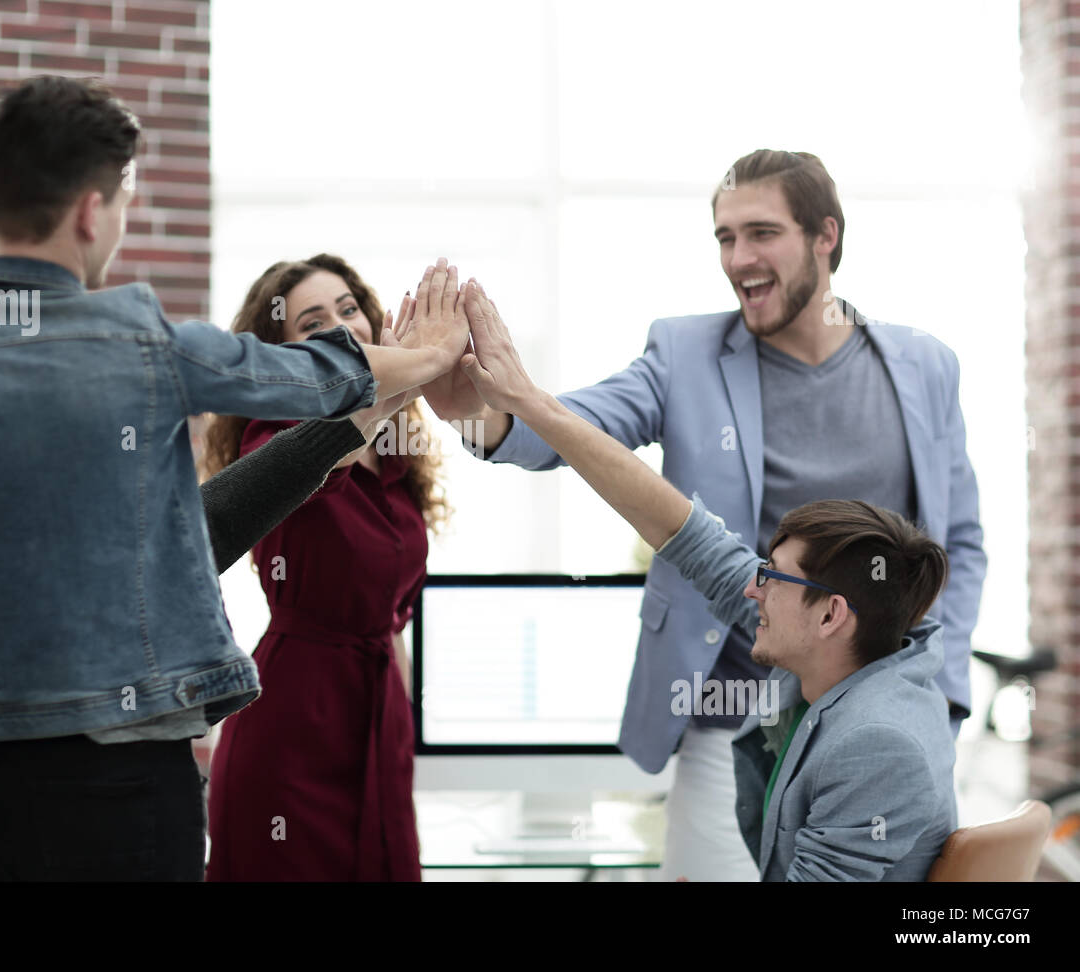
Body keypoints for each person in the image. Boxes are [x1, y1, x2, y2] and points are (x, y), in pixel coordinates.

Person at [0, 76, 465, 881]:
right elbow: (305, 379)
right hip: (128, 787)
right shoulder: (138, 338)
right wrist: (426, 356)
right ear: (88, 210)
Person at [421, 150, 985, 880]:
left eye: (760, 233)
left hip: (874, 727)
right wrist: (483, 417)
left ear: (825, 236)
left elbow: (959, 542)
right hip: (733, 723)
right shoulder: (684, 354)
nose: (738, 257)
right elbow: (575, 429)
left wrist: (937, 691)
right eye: (724, 237)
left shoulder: (923, 365)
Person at [201, 255, 455, 881]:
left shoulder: (398, 464)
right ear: (284, 357)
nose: (346, 329)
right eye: (315, 324)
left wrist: (404, 729)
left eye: (350, 310)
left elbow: (393, 619)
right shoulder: (277, 439)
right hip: (294, 721)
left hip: (380, 714)